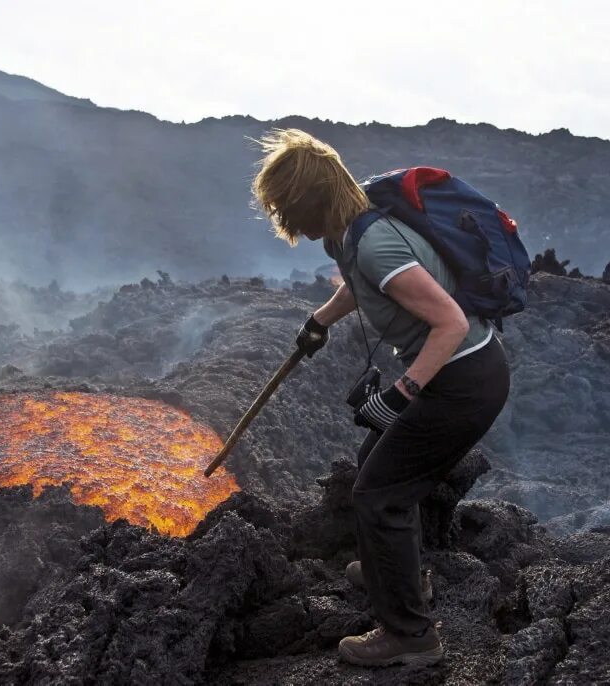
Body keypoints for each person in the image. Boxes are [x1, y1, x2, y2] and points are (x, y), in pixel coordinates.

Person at [252, 129, 510, 668]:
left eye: (288, 209)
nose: (287, 222)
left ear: (310, 199)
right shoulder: (350, 232)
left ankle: (411, 637)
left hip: (465, 380)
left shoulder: (375, 242)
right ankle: (395, 572)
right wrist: (319, 321)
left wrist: (402, 391)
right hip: (454, 374)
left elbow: (450, 322)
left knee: (379, 495)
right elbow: (363, 284)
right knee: (376, 462)